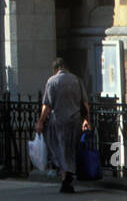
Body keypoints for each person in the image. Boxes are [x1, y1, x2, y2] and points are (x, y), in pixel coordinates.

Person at [35, 57, 90, 194]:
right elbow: (85, 103)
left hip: (58, 122)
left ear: (56, 69)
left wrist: (41, 121)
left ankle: (65, 177)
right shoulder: (77, 80)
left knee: (59, 150)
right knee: (71, 149)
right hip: (75, 121)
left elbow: (47, 105)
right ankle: (68, 177)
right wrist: (87, 120)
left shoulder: (52, 81)